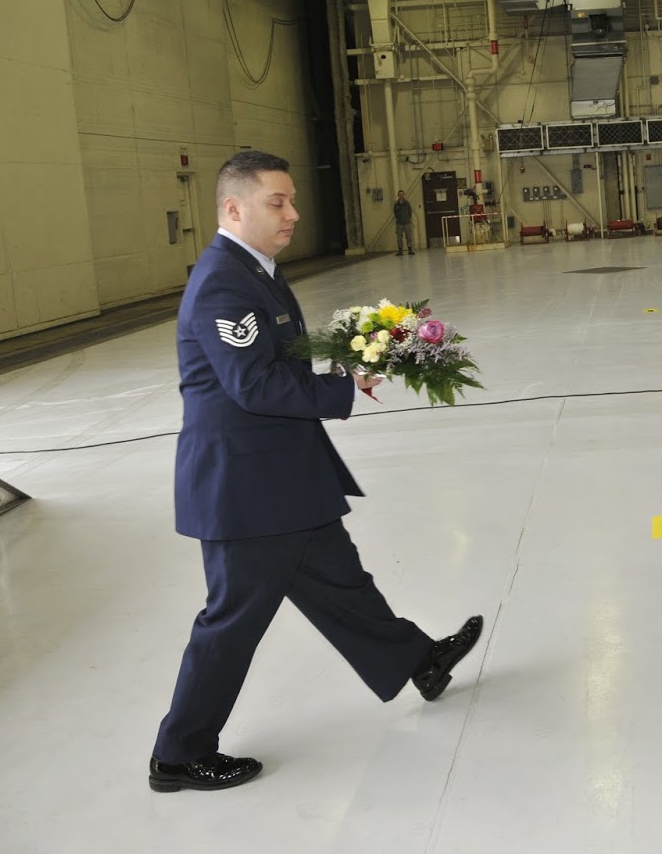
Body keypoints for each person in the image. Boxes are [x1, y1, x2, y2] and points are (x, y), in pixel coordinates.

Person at [149, 150, 482, 793]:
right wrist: (345, 392)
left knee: (341, 583)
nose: (294, 214)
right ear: (232, 208)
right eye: (278, 203)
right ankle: (179, 753)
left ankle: (420, 661)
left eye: (293, 201)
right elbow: (255, 385)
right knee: (232, 621)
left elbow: (278, 364)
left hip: (281, 480)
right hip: (247, 492)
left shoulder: (259, 273)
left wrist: (340, 371)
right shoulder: (224, 281)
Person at [392, 189, 415, 256]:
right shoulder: (396, 204)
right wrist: (398, 219)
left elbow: (410, 212)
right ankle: (400, 251)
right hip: (399, 223)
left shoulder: (407, 203)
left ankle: (410, 250)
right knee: (399, 238)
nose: (401, 196)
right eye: (400, 194)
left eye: (402, 194)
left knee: (408, 236)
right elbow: (395, 213)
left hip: (407, 223)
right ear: (398, 195)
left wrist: (408, 218)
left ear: (403, 195)